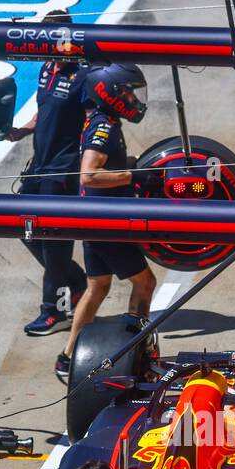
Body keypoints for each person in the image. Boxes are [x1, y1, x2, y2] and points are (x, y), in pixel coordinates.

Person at [58, 63, 157, 383]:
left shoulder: (100, 120)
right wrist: (134, 174)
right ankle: (134, 347)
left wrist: (127, 164)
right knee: (145, 283)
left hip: (91, 218)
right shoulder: (105, 127)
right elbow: (89, 174)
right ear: (110, 93)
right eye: (127, 91)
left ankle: (68, 355)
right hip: (105, 221)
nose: (132, 98)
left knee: (98, 286)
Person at [9, 8, 89, 337]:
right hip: (38, 165)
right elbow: (44, 111)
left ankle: (54, 309)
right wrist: (21, 131)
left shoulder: (82, 74)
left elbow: (91, 117)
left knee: (53, 238)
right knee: (21, 226)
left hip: (63, 170)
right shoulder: (47, 68)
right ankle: (74, 280)